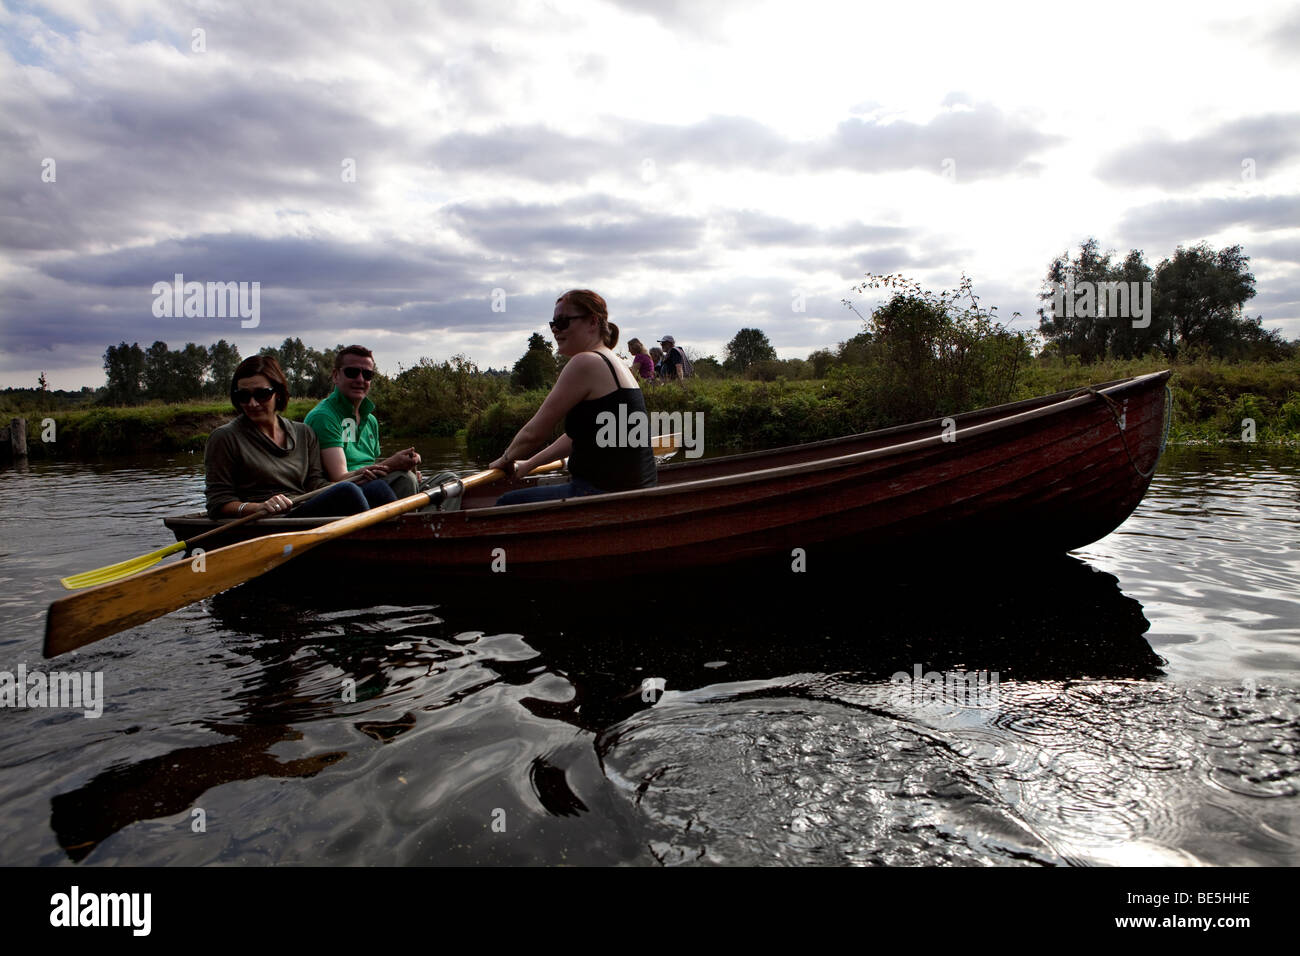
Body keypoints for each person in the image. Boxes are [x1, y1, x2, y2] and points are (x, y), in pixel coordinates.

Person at [490, 290, 657, 504]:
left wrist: (505, 459)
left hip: (603, 494)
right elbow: (578, 436)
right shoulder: (614, 362)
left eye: (562, 321)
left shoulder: (585, 363)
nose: (555, 330)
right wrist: (527, 464)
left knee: (505, 503)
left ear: (592, 322)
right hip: (635, 491)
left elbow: (534, 432)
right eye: (553, 323)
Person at [205, 355, 375, 519]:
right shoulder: (224, 438)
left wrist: (356, 477)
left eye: (262, 394)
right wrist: (258, 507)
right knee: (348, 492)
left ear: (277, 393)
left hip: (303, 509)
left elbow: (315, 484)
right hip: (268, 519)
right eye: (243, 396)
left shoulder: (304, 433)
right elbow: (218, 503)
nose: (252, 403)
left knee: (375, 488)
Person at [304, 345, 422, 506]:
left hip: (373, 487)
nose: (360, 380)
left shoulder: (371, 421)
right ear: (335, 376)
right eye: (352, 373)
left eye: (367, 374)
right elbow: (339, 478)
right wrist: (392, 466)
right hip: (346, 494)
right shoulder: (324, 417)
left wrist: (401, 467)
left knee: (449, 479)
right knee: (405, 480)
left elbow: (372, 465)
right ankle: (410, 528)